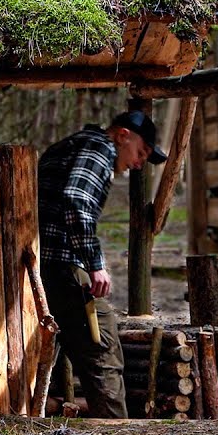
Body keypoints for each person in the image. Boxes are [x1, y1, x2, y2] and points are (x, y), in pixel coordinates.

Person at [37, 109, 167, 418]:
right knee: (103, 345)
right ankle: (116, 431)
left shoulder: (76, 145)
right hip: (62, 264)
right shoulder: (99, 148)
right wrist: (94, 263)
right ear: (122, 136)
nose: (139, 163)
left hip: (45, 262)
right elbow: (76, 200)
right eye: (140, 152)